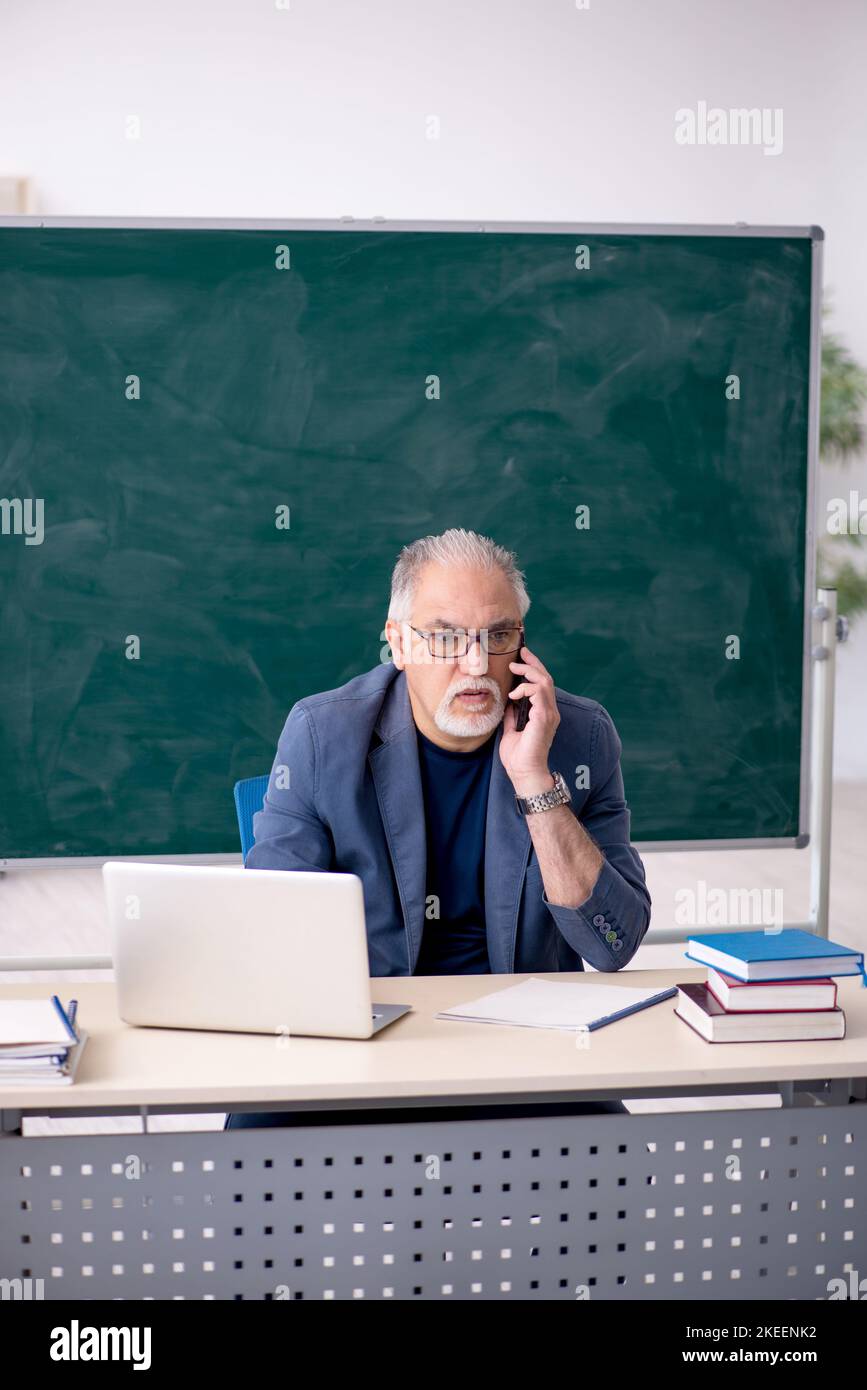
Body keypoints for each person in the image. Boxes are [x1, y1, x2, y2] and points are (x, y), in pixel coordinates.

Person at [225, 528, 650, 1128]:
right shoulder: (324, 735)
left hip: (527, 1053)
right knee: (250, 1162)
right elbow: (268, 936)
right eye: (447, 637)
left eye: (497, 636)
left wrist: (535, 781)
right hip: (366, 1044)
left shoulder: (578, 738)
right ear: (397, 643)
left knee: (627, 1189)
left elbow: (613, 945)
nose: (476, 665)